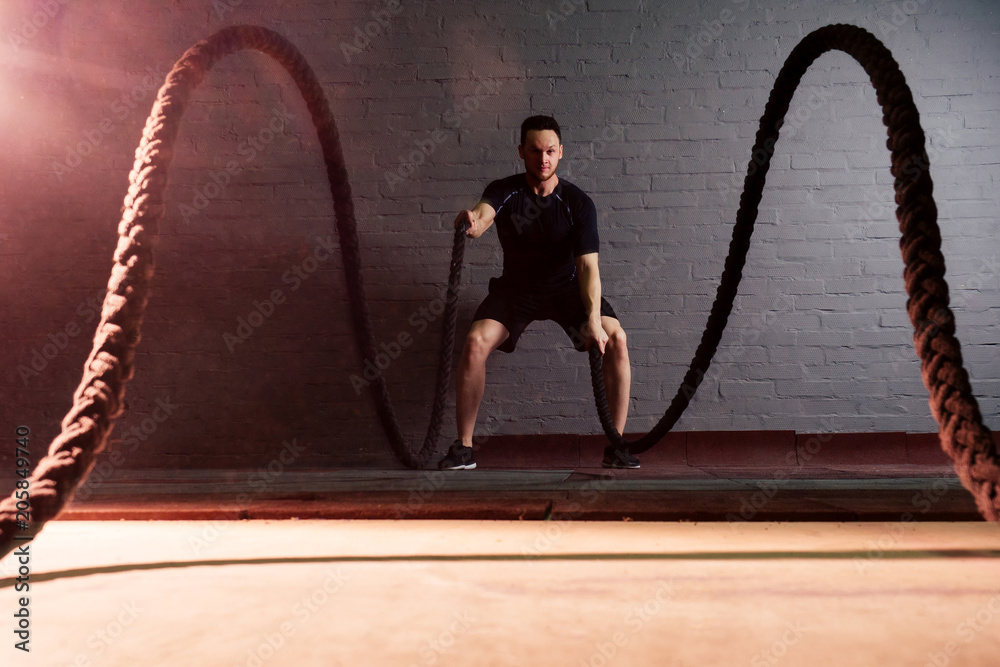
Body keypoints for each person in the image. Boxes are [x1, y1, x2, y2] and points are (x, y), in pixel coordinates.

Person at [438, 115, 638, 470]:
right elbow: (484, 216)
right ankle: (464, 448)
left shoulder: (577, 203)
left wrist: (591, 320)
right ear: (521, 152)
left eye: (549, 151)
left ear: (560, 152)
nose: (542, 158)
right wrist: (473, 221)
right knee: (474, 343)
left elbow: (588, 268)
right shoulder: (506, 190)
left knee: (617, 339)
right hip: (517, 290)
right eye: (534, 151)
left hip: (566, 290)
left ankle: (617, 445)